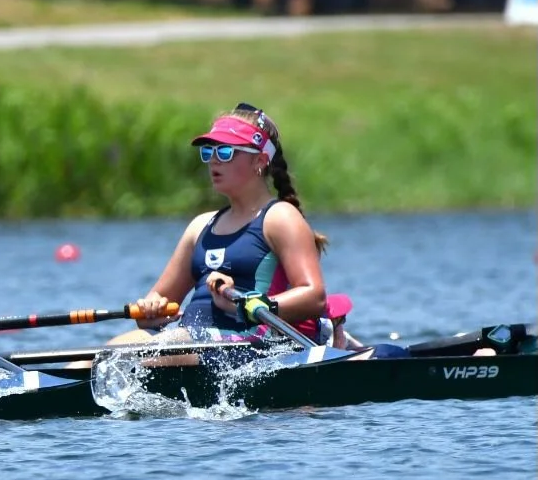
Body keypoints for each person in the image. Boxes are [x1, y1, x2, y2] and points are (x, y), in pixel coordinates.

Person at [113, 103, 408, 358]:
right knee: (112, 351)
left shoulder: (280, 218)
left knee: (139, 353)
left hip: (251, 345)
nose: (214, 159)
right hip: (191, 341)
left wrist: (243, 306)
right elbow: (157, 306)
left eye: (226, 151)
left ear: (259, 160)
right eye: (209, 151)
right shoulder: (200, 226)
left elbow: (314, 296)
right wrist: (151, 310)